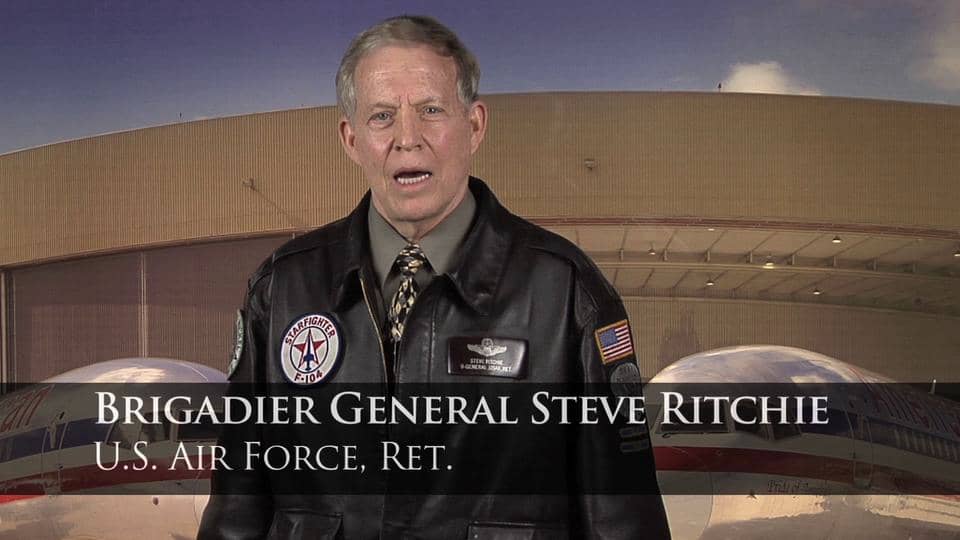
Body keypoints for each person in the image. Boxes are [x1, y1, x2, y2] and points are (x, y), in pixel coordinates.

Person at [199, 15, 670, 539]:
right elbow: (236, 511)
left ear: (474, 125)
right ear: (351, 138)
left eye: (430, 110)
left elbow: (623, 523)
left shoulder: (566, 292)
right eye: (382, 116)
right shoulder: (282, 289)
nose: (407, 138)